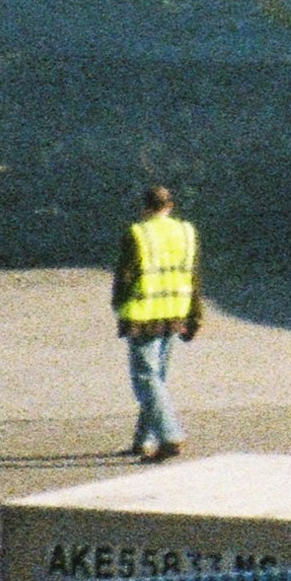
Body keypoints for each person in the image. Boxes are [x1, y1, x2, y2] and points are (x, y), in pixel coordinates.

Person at [114, 181, 202, 462]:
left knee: (146, 378)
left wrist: (119, 308)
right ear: (170, 206)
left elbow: (124, 277)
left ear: (144, 207)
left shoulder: (138, 233)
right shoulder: (186, 232)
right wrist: (195, 316)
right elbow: (193, 276)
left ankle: (169, 434)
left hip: (144, 315)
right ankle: (144, 440)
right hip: (176, 311)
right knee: (157, 378)